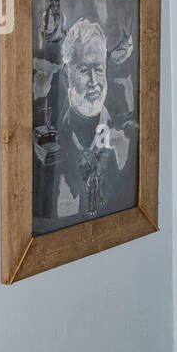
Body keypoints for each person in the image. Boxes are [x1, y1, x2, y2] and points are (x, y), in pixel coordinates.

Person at [38, 18, 137, 228]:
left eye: (99, 69)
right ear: (67, 74)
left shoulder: (128, 138)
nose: (94, 81)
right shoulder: (47, 148)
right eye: (84, 70)